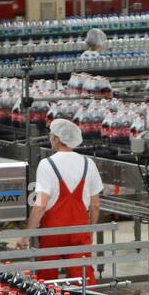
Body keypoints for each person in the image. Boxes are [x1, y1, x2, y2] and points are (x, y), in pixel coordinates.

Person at [19, 119, 103, 285]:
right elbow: (95, 205)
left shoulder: (47, 164)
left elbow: (40, 205)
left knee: (47, 279)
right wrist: (90, 231)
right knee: (82, 278)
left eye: (51, 135)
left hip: (52, 232)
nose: (50, 139)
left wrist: (26, 235)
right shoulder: (89, 163)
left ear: (57, 139)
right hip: (79, 229)